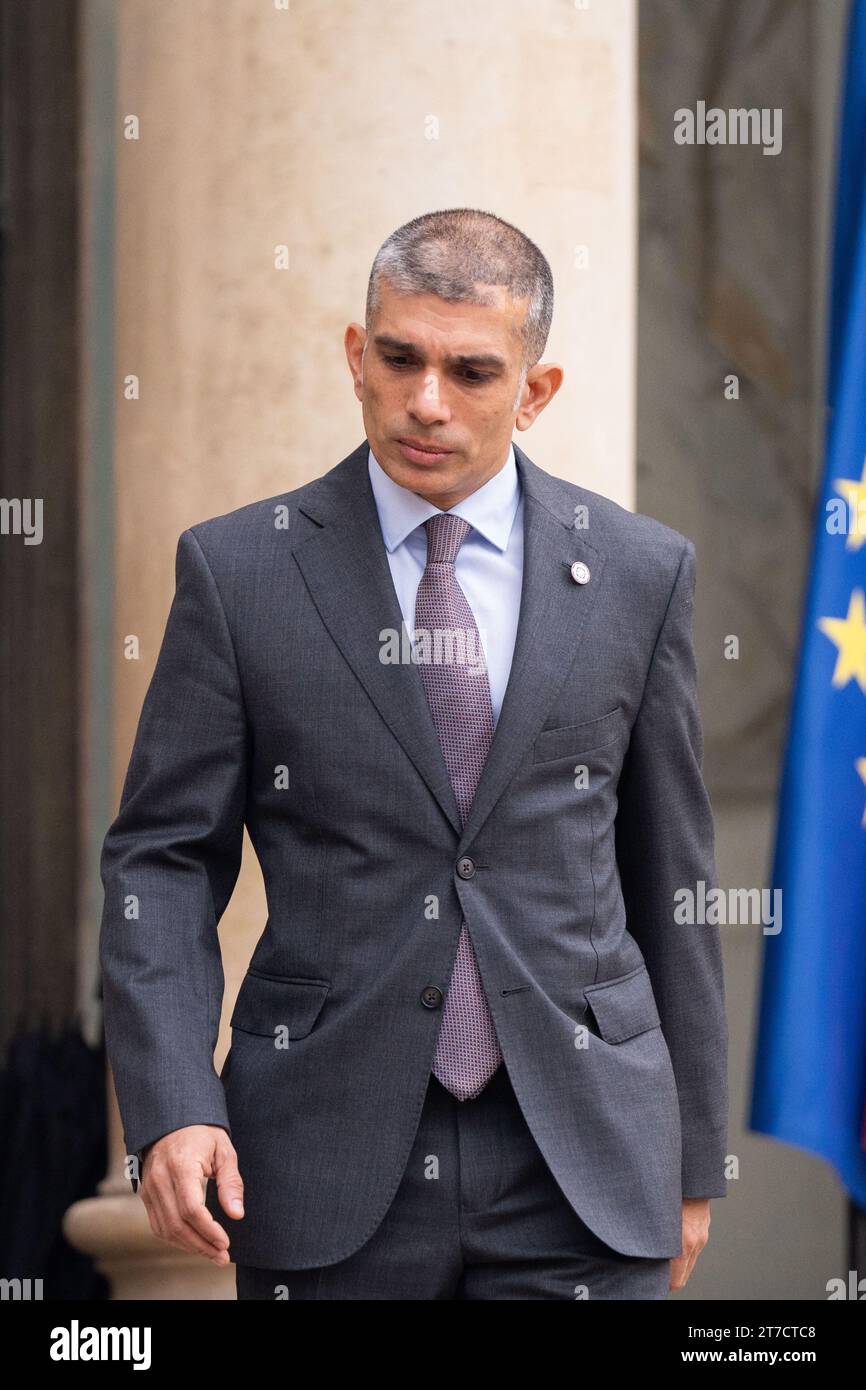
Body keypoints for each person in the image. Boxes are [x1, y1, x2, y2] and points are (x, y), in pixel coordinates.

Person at [99, 207, 728, 1300]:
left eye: (471, 371)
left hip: (580, 1161)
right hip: (323, 1160)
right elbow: (162, 857)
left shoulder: (638, 573)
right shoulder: (241, 571)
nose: (425, 401)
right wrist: (171, 1105)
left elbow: (670, 876)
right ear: (357, 354)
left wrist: (690, 1151)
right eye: (398, 358)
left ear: (534, 391)